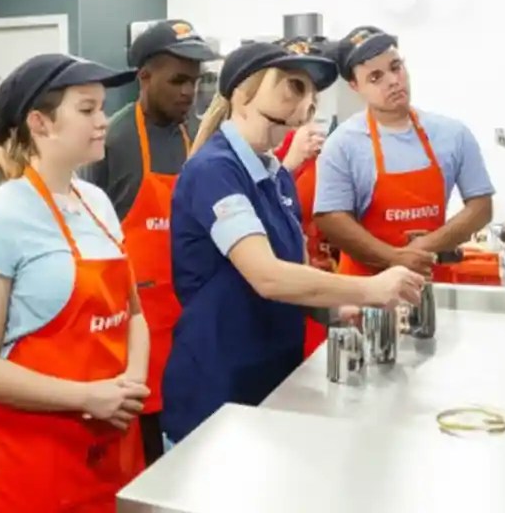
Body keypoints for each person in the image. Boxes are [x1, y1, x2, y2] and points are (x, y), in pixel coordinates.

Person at [162, 41, 424, 444]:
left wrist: (338, 310)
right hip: (217, 389)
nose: (302, 106)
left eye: (309, 94)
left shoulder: (276, 177)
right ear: (243, 94)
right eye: (291, 87)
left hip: (274, 379)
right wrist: (369, 288)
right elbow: (267, 276)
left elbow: (296, 277)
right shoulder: (214, 171)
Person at [0, 53, 149, 513]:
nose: (102, 121)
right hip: (39, 458)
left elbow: (133, 312)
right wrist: (86, 397)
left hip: (114, 443)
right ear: (40, 123)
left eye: (101, 107)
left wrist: (130, 384)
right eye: (86, 109)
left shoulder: (96, 202)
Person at [84, 19, 218, 463]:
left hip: (190, 325)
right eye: (177, 80)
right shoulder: (113, 141)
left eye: (195, 83)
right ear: (143, 76)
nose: (188, 92)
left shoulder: (199, 137)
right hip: (135, 333)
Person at [314, 26, 495, 281]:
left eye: (395, 67)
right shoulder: (342, 145)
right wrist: (392, 257)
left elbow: (481, 207)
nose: (392, 80)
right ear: (355, 86)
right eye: (375, 77)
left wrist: (423, 247)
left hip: (430, 278)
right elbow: (331, 219)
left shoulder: (453, 134)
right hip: (365, 289)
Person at [269, 35, 334, 359]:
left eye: (310, 91)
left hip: (318, 284)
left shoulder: (325, 147)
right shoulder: (255, 150)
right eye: (294, 86)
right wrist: (290, 162)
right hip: (277, 289)